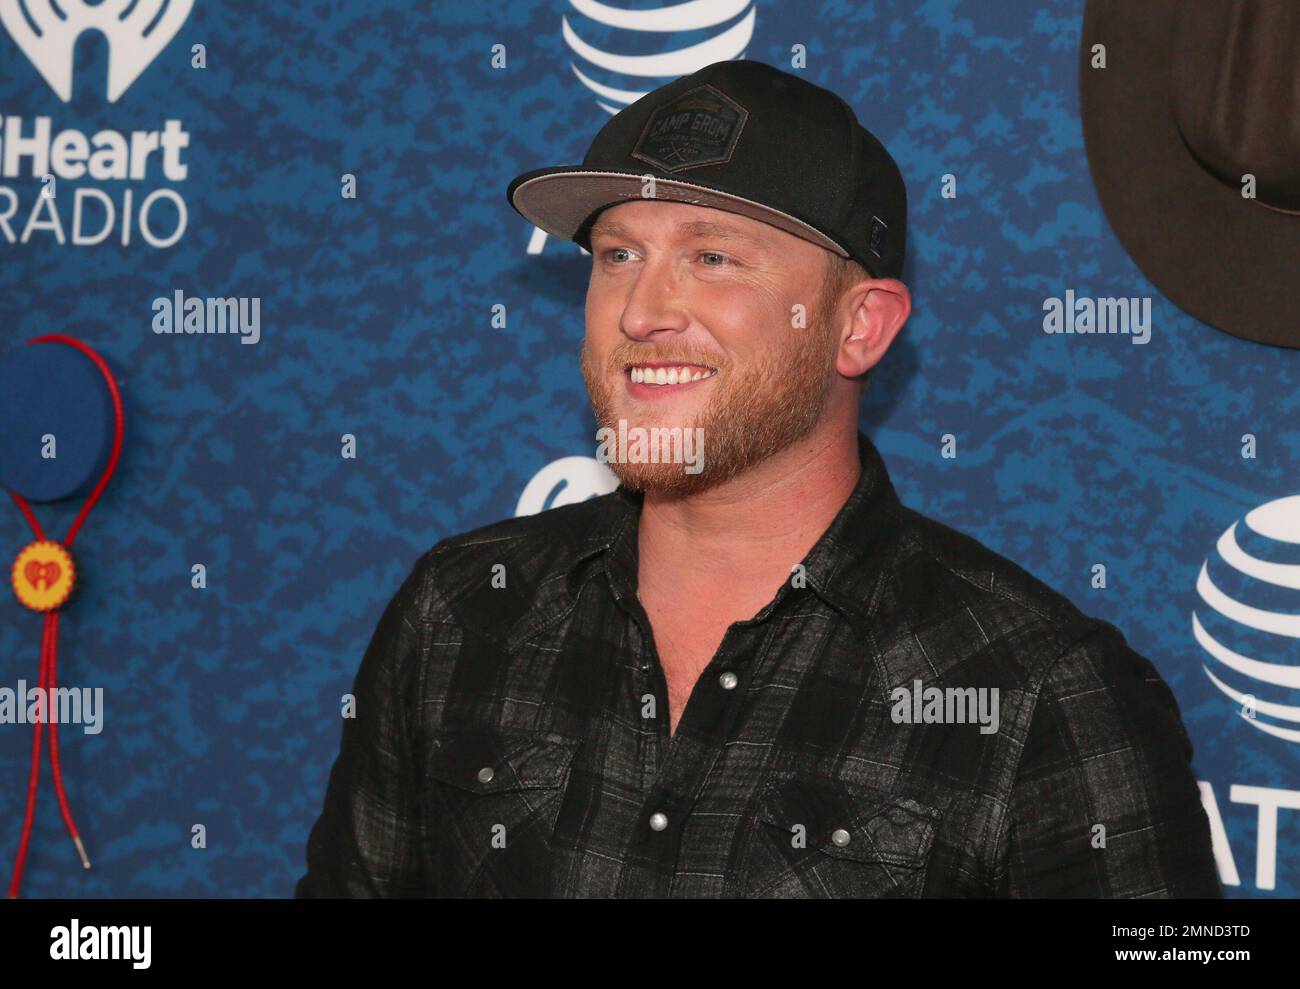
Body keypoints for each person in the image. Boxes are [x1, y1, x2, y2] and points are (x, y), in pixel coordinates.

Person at [295, 59, 1222, 898]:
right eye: (619, 254)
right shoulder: (461, 609)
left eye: (711, 257)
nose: (643, 311)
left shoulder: (1046, 693)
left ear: (858, 327)